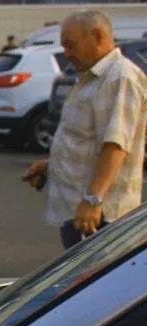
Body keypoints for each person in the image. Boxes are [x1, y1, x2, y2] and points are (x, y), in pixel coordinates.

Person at [22, 10, 147, 248]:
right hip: (78, 211)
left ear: (98, 35)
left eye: (71, 45)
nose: (66, 54)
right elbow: (86, 140)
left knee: (96, 283)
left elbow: (116, 144)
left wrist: (93, 199)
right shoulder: (91, 77)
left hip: (99, 216)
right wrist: (52, 167)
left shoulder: (120, 77)